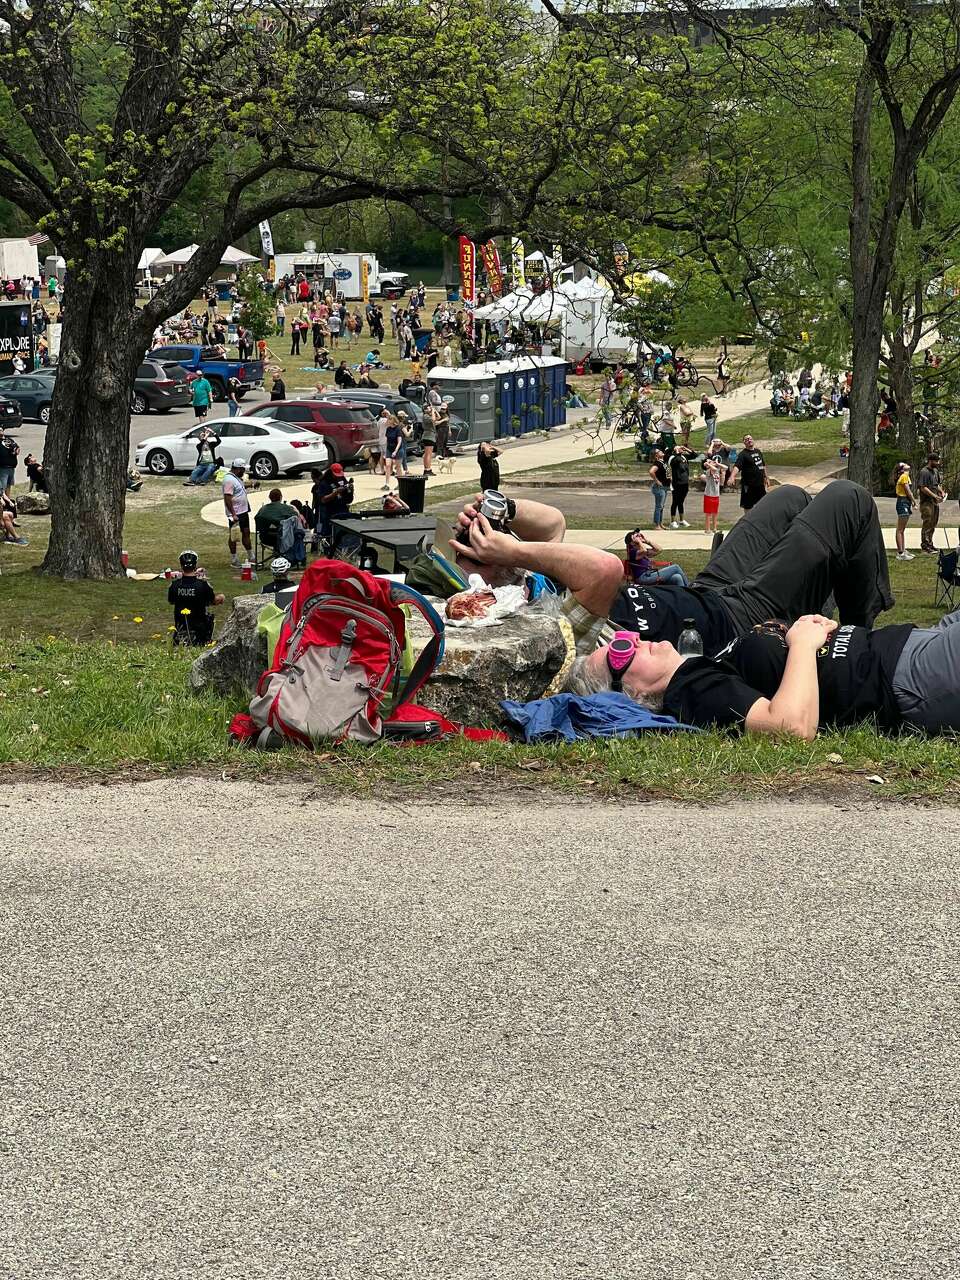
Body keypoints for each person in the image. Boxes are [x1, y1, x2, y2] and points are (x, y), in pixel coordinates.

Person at [450, 480, 894, 659]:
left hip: (707, 593)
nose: (486, 547)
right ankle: (861, 644)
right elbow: (604, 570)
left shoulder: (532, 582)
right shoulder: (540, 627)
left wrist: (501, 507)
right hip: (733, 624)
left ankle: (847, 635)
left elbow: (553, 523)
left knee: (789, 497)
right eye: (476, 554)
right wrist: (510, 551)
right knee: (848, 499)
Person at [566, 607, 960, 740]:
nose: (632, 637)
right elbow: (790, 727)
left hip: (910, 643)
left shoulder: (700, 668)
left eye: (621, 636)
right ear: (628, 692)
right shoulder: (693, 691)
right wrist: (804, 643)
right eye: (620, 650)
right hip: (907, 676)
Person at [168, 550, 224, 646]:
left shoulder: (174, 585)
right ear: (195, 565)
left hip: (180, 632)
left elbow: (171, 600)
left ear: (181, 566)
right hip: (200, 633)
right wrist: (222, 597)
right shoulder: (203, 585)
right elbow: (213, 600)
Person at [255, 487, 308, 567]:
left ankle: (285, 556)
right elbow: (295, 518)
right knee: (298, 534)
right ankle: (298, 557)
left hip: (265, 538)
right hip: (283, 538)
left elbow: (257, 520)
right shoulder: (285, 508)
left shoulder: (262, 509)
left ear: (269, 497)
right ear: (280, 497)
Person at [624, 529, 688, 587]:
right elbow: (644, 550)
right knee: (675, 567)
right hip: (643, 578)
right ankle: (690, 590)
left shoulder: (640, 551)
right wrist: (639, 541)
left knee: (677, 577)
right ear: (632, 542)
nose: (639, 537)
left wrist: (647, 541)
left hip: (650, 574)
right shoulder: (633, 552)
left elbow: (659, 550)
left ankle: (684, 597)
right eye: (636, 537)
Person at [311, 463, 354, 549]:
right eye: (336, 475)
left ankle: (344, 547)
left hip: (342, 510)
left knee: (343, 532)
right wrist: (335, 493)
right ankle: (329, 548)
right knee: (329, 533)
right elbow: (323, 499)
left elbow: (348, 500)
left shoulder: (342, 479)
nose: (338, 477)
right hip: (329, 512)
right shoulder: (324, 483)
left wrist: (350, 491)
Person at [223, 458, 252, 567]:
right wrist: (233, 514)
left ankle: (251, 556)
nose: (244, 471)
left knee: (246, 532)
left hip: (243, 511)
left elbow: (239, 488)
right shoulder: (229, 480)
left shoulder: (236, 478)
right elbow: (227, 498)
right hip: (236, 513)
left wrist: (251, 485)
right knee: (233, 536)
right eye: (243, 469)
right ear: (238, 469)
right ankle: (234, 559)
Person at [728, 434, 767, 510]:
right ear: (744, 443)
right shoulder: (743, 454)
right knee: (748, 506)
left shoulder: (758, 451)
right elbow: (737, 466)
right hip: (749, 485)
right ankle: (748, 520)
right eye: (747, 439)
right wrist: (732, 476)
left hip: (760, 484)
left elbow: (763, 465)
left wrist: (766, 477)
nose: (749, 440)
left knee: (762, 504)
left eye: (750, 438)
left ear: (753, 440)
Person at [917, 451, 946, 554]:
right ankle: (924, 546)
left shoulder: (935, 471)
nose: (938, 463)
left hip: (935, 502)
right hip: (926, 502)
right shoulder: (924, 472)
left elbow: (936, 484)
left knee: (933, 523)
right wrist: (934, 496)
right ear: (930, 461)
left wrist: (941, 492)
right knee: (927, 523)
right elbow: (923, 487)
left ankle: (930, 543)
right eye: (936, 461)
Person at [668, 444, 694, 528]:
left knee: (681, 502)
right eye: (678, 447)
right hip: (677, 483)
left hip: (684, 482)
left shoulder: (683, 457)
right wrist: (677, 452)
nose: (680, 448)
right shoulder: (673, 457)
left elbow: (694, 455)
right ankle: (672, 521)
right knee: (675, 501)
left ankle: (681, 520)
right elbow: (675, 462)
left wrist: (686, 448)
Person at [894, 462, 915, 561]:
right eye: (904, 464)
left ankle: (903, 550)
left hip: (905, 501)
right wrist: (914, 501)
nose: (907, 464)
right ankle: (900, 553)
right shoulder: (904, 476)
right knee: (900, 529)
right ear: (902, 469)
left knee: (902, 530)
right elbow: (908, 491)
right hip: (903, 501)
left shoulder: (906, 476)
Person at [648, 448, 668, 531]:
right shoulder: (657, 463)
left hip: (665, 487)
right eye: (659, 451)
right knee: (659, 506)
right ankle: (656, 525)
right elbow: (651, 472)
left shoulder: (662, 462)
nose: (661, 451)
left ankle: (660, 523)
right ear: (656, 455)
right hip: (659, 487)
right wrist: (657, 481)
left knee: (661, 506)